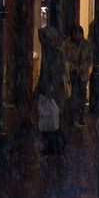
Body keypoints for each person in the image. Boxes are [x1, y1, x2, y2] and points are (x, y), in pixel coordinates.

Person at [35, 26, 67, 155]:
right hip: (47, 89)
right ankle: (50, 145)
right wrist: (39, 89)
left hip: (55, 91)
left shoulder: (58, 52)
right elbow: (44, 72)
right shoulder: (46, 51)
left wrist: (51, 88)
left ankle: (56, 144)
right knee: (47, 117)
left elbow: (59, 73)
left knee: (54, 117)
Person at [62, 25, 92, 126]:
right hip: (71, 73)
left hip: (82, 74)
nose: (77, 36)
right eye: (75, 34)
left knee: (82, 95)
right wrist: (73, 68)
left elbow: (89, 59)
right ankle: (71, 117)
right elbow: (65, 58)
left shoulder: (86, 44)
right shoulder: (66, 44)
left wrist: (82, 68)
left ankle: (80, 116)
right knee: (72, 95)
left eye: (79, 34)